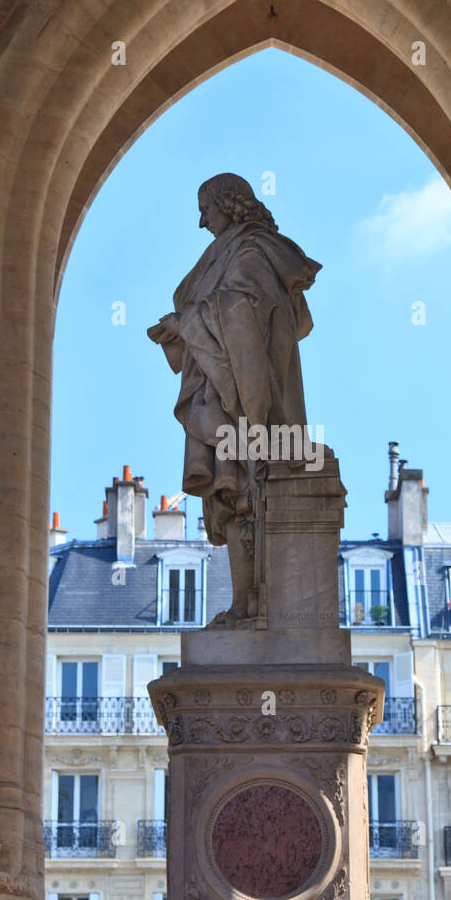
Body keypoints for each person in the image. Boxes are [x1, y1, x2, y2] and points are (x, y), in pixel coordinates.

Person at [148, 173, 320, 626]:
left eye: (206, 208)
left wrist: (186, 322)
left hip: (244, 396)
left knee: (246, 488)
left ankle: (259, 606)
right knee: (232, 496)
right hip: (219, 387)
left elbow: (241, 310)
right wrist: (182, 326)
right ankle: (245, 603)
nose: (202, 221)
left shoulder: (254, 251)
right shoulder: (230, 251)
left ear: (229, 203)